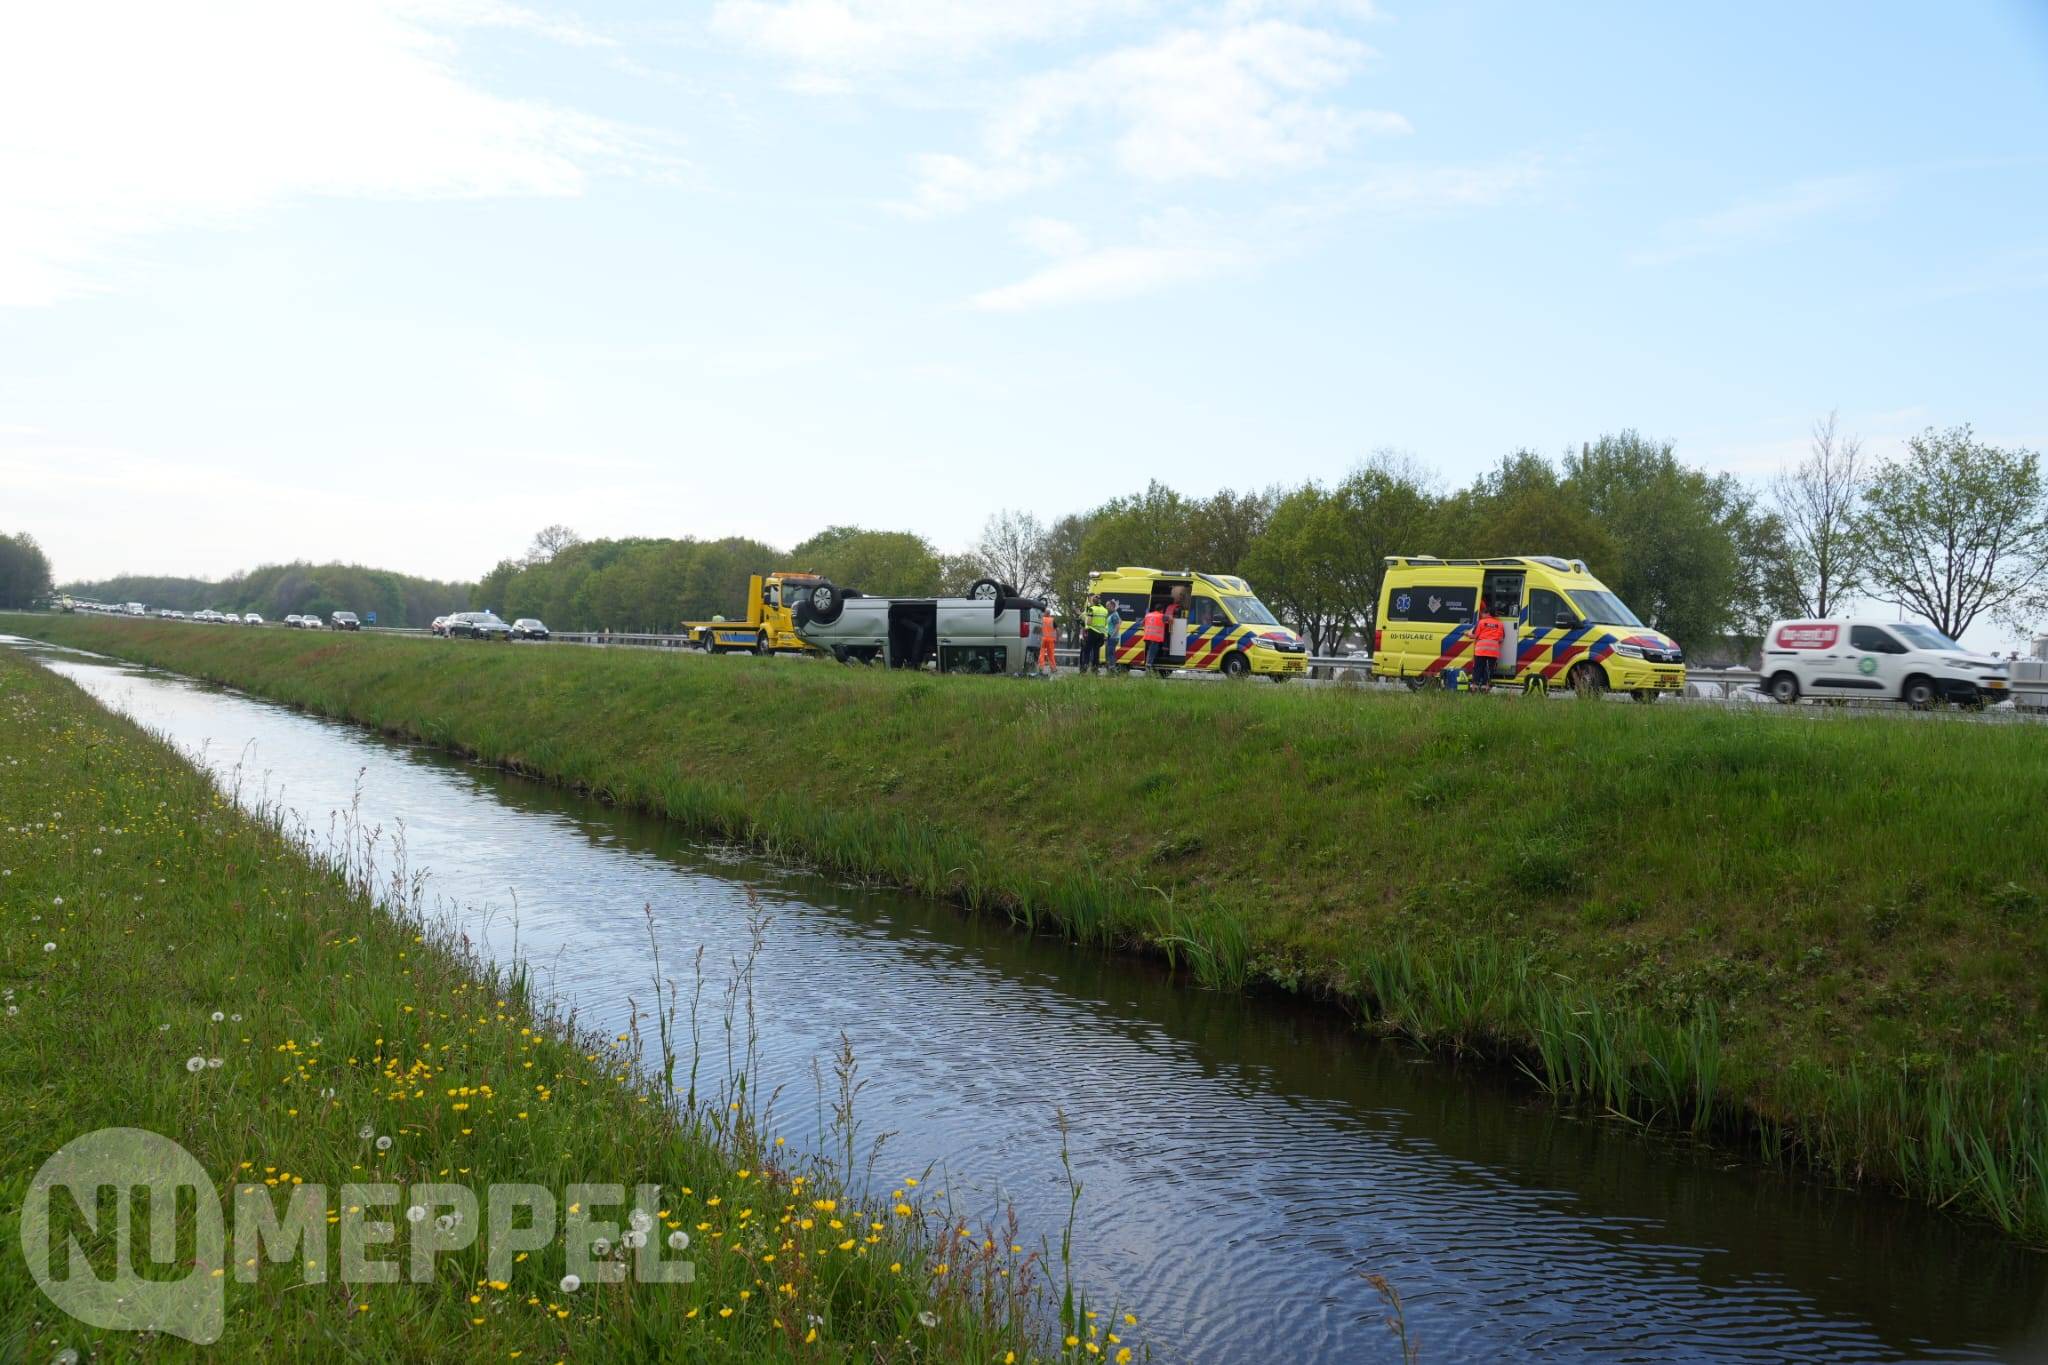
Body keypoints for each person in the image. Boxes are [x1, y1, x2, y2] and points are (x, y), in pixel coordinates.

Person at [1471, 601, 1505, 691]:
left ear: (1488, 613)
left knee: (1478, 668)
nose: (1481, 615)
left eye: (1483, 613)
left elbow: (1474, 635)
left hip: (1481, 650)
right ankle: (1485, 687)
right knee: (1489, 670)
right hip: (1493, 651)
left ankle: (1474, 687)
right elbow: (1501, 639)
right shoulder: (1500, 624)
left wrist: (1466, 633)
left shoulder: (1481, 622)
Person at [1082, 595, 1108, 673]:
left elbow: (1089, 622)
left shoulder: (1091, 609)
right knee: (1096, 651)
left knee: (1087, 650)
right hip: (1101, 634)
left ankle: (1084, 667)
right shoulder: (1105, 610)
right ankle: (1095, 668)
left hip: (1092, 632)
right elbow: (1106, 623)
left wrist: (1086, 624)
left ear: (1093, 601)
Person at [1141, 602, 1168, 672]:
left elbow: (1142, 623)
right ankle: (1148, 668)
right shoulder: (1162, 616)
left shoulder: (1148, 615)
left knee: (1149, 651)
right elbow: (1171, 621)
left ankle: (1148, 665)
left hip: (1147, 637)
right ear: (1162, 610)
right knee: (1152, 652)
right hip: (1155, 638)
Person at [1102, 598, 1124, 672]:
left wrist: (1111, 635)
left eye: (1107, 606)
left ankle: (1112, 668)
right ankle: (1110, 668)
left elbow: (1117, 626)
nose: (1106, 607)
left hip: (1112, 637)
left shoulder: (1114, 615)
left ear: (1112, 606)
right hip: (1110, 637)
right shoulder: (1112, 614)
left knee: (1111, 653)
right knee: (1109, 653)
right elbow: (1120, 621)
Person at [1037, 608, 1058, 677]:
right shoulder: (1052, 620)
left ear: (1045, 613)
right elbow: (1057, 629)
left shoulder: (1041, 619)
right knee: (1051, 654)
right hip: (1051, 640)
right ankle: (1053, 668)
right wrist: (1057, 638)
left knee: (1041, 653)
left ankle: (1041, 668)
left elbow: (1038, 629)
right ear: (1049, 614)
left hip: (1043, 639)